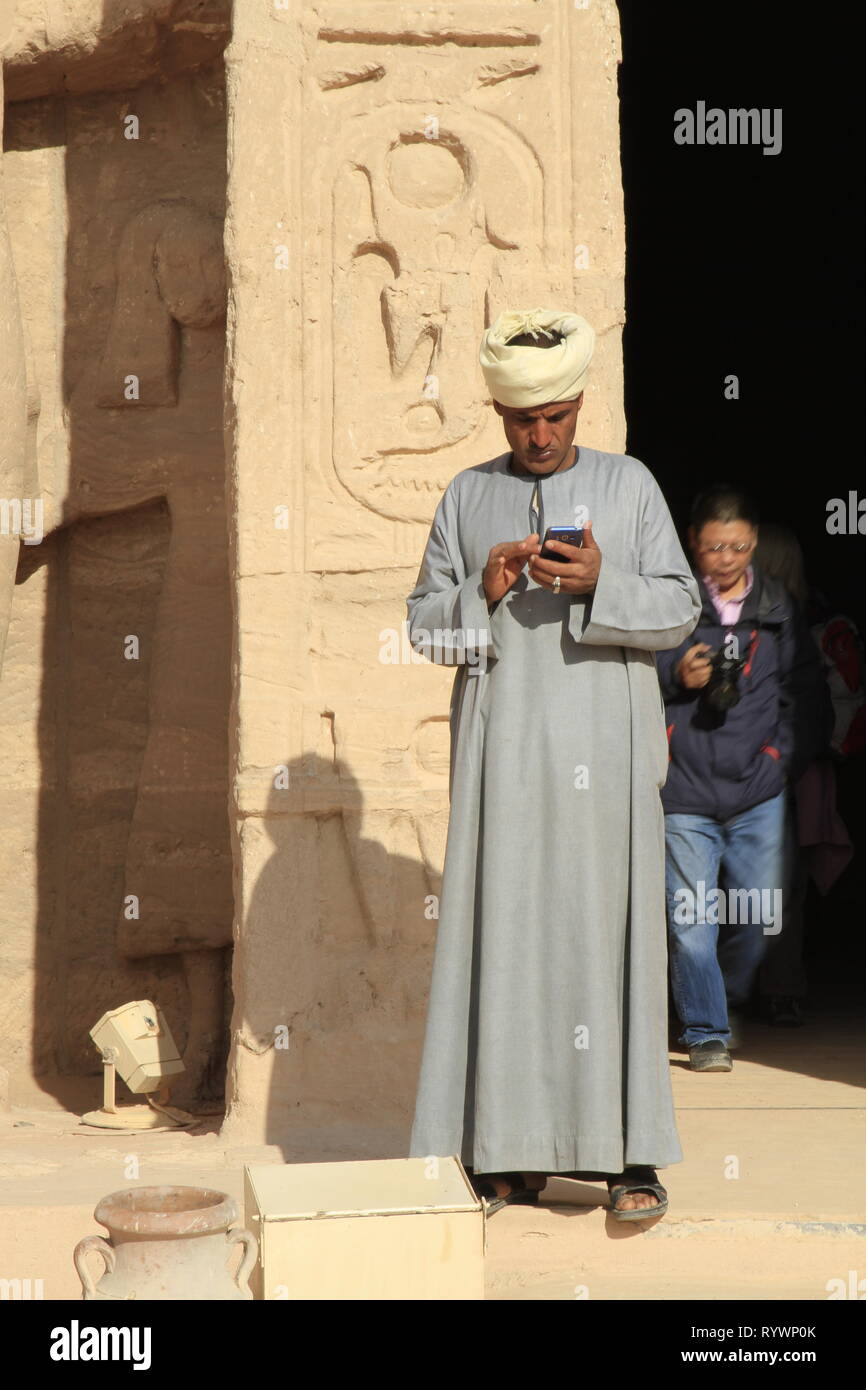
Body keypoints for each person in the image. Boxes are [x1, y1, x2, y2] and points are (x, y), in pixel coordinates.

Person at [406, 307, 700, 1218]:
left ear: (580, 407)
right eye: (525, 421)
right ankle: (505, 1154)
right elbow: (420, 624)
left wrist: (599, 583)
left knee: (607, 939)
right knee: (511, 945)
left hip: (605, 761)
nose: (542, 436)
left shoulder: (632, 486)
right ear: (500, 417)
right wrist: (481, 591)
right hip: (505, 766)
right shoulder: (466, 497)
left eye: (558, 418)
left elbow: (681, 610)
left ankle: (630, 1160)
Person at [657, 489, 826, 1071]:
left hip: (757, 789)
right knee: (692, 921)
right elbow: (625, 669)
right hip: (685, 789)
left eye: (736, 546)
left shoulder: (779, 610)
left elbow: (805, 697)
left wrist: (779, 761)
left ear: (753, 542)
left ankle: (717, 997)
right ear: (691, 544)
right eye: (712, 547)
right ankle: (706, 1031)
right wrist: (674, 672)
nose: (725, 559)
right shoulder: (670, 601)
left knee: (757, 916)